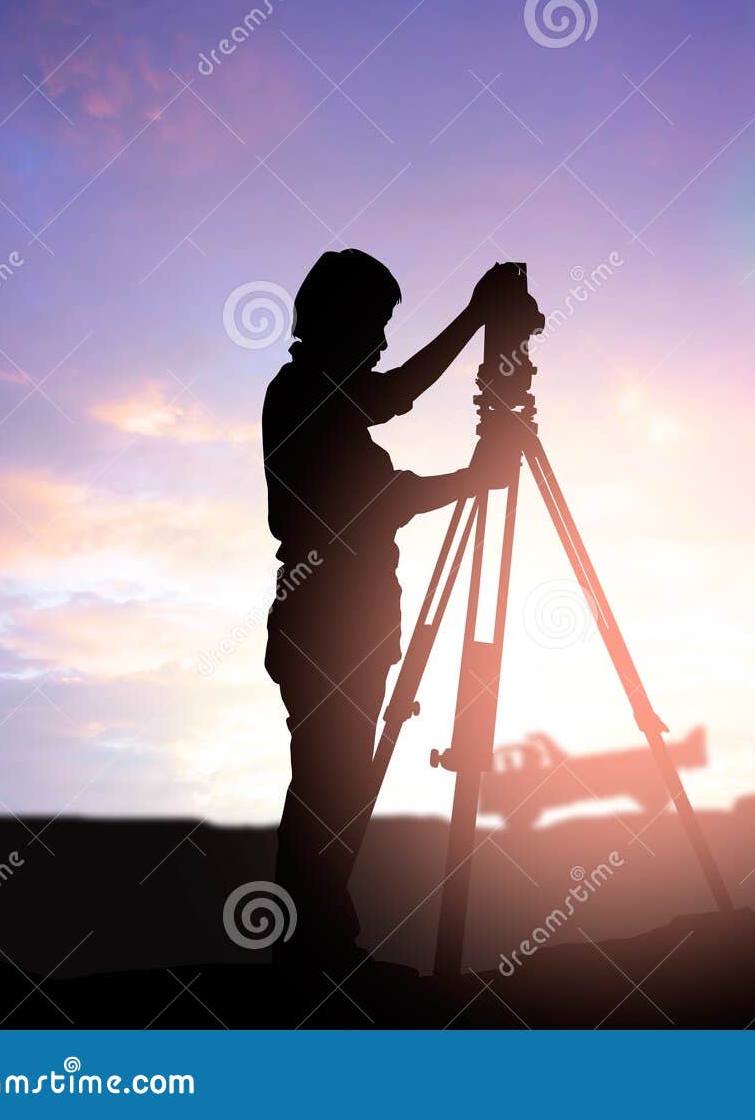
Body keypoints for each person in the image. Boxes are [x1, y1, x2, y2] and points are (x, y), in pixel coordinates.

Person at [262, 248, 517, 973]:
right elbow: (381, 497)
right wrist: (474, 478)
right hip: (326, 627)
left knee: (334, 782)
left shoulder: (321, 392)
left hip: (342, 625)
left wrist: (474, 319)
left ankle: (315, 940)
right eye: (373, 325)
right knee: (330, 782)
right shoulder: (304, 394)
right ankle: (312, 947)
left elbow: (391, 397)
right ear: (339, 323)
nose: (379, 343)